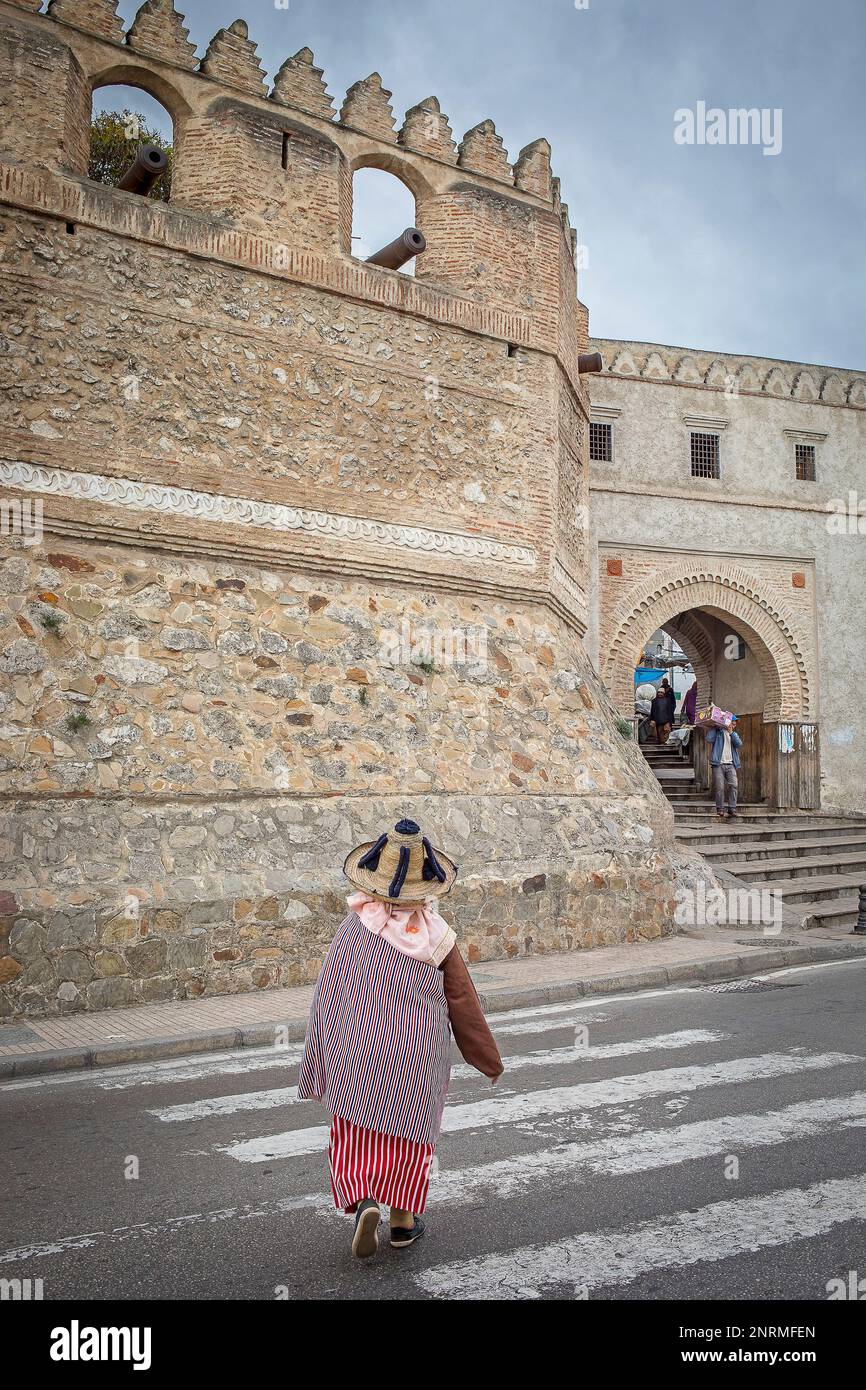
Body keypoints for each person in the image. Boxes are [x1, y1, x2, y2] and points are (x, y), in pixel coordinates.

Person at [297, 818, 503, 1259]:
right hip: (415, 1062)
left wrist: (323, 1054)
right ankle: (402, 1223)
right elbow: (462, 1000)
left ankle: (364, 1200)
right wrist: (486, 1058)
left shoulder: (353, 930)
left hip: (355, 1060)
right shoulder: (437, 938)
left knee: (355, 1133)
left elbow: (328, 996)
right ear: (425, 888)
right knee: (409, 1138)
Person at [706, 715, 742, 821]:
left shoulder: (733, 734)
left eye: (735, 724)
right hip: (718, 764)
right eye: (732, 723)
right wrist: (715, 727)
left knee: (734, 785)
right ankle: (720, 809)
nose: (734, 726)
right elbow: (708, 739)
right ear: (726, 722)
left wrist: (731, 733)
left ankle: (732, 808)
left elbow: (739, 744)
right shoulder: (718, 732)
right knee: (720, 787)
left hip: (731, 764)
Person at [649, 679, 676, 744]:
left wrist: (670, 722)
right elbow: (652, 711)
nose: (660, 694)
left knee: (665, 735)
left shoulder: (668, 700)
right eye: (659, 692)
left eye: (661, 692)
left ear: (664, 693)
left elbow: (670, 711)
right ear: (657, 693)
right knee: (658, 735)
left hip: (666, 721)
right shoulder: (654, 701)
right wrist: (652, 719)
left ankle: (664, 744)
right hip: (657, 721)